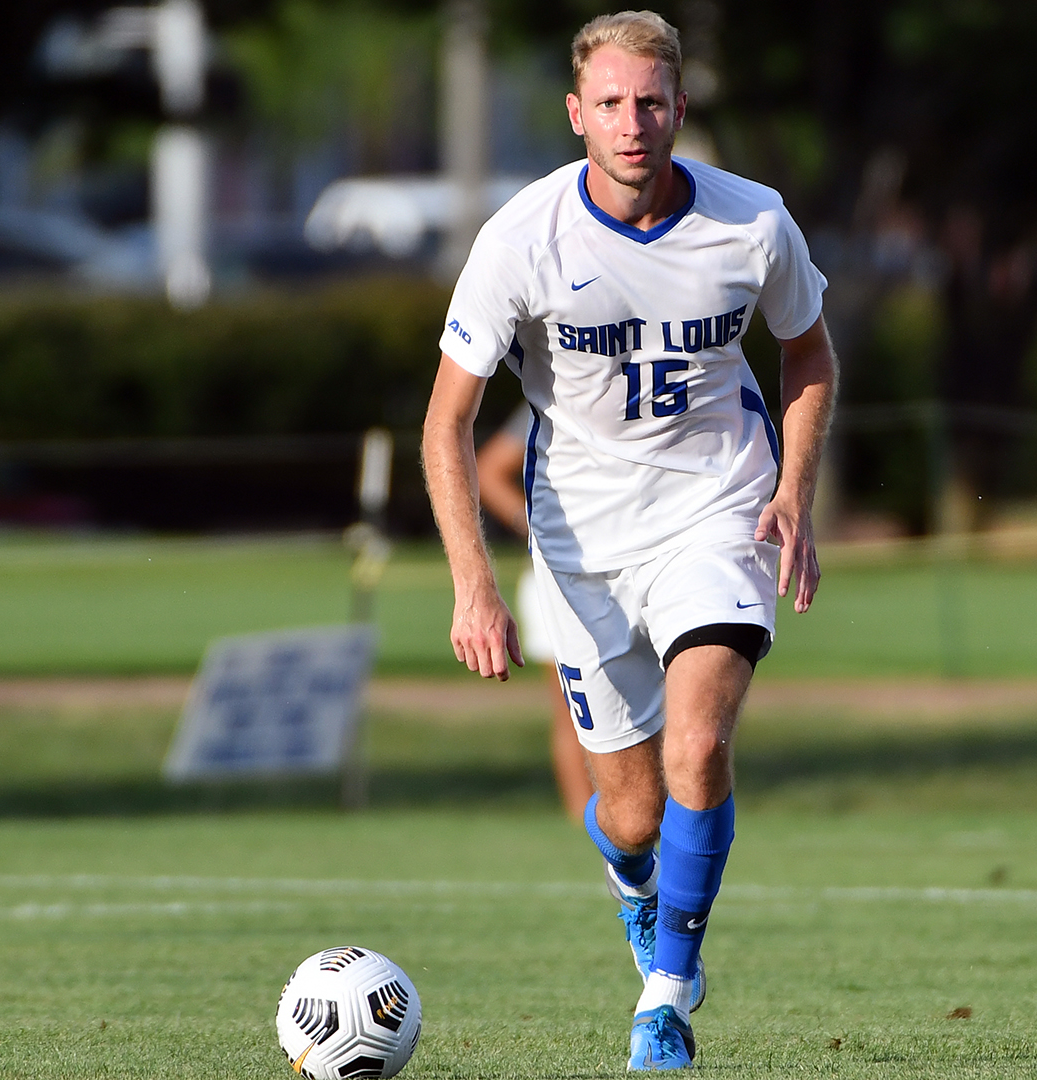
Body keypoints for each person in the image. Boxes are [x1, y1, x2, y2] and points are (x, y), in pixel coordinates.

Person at [420, 9, 837, 1071]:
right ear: (577, 116)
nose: (632, 122)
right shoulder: (521, 237)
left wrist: (793, 490)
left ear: (680, 109)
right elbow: (447, 422)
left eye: (651, 101)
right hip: (583, 537)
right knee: (633, 809)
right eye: (610, 103)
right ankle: (636, 891)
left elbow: (808, 355)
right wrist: (474, 585)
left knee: (700, 745)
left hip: (717, 507)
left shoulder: (753, 223)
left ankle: (668, 994)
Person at [476, 411, 598, 819]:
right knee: (574, 715)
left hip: (650, 567)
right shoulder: (549, 395)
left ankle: (651, 830)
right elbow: (489, 469)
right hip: (562, 578)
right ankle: (588, 831)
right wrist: (534, 527)